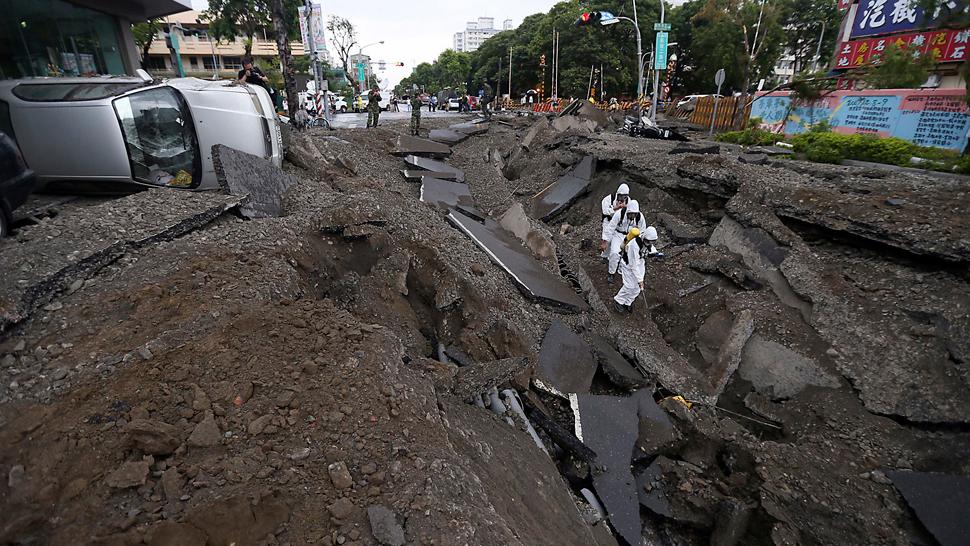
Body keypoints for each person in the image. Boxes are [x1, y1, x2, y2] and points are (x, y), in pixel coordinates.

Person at [605, 199, 647, 284]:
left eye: (635, 214)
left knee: (627, 254)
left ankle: (622, 270)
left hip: (631, 236)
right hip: (618, 234)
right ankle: (611, 272)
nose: (633, 216)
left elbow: (642, 231)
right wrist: (605, 241)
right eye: (631, 213)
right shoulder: (619, 214)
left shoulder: (640, 217)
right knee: (615, 253)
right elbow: (611, 227)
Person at [613, 228, 645, 314]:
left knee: (637, 288)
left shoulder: (647, 242)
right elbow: (633, 265)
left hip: (639, 264)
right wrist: (640, 280)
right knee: (629, 286)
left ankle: (628, 302)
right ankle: (619, 301)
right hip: (629, 266)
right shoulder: (633, 246)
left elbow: (650, 249)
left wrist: (656, 253)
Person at [599, 183, 630, 261]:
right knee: (607, 239)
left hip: (619, 223)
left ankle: (613, 256)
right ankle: (604, 256)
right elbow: (605, 211)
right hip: (608, 220)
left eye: (625, 196)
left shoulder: (628, 201)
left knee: (616, 240)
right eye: (621, 196)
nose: (623, 198)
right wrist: (616, 208)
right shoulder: (608, 199)